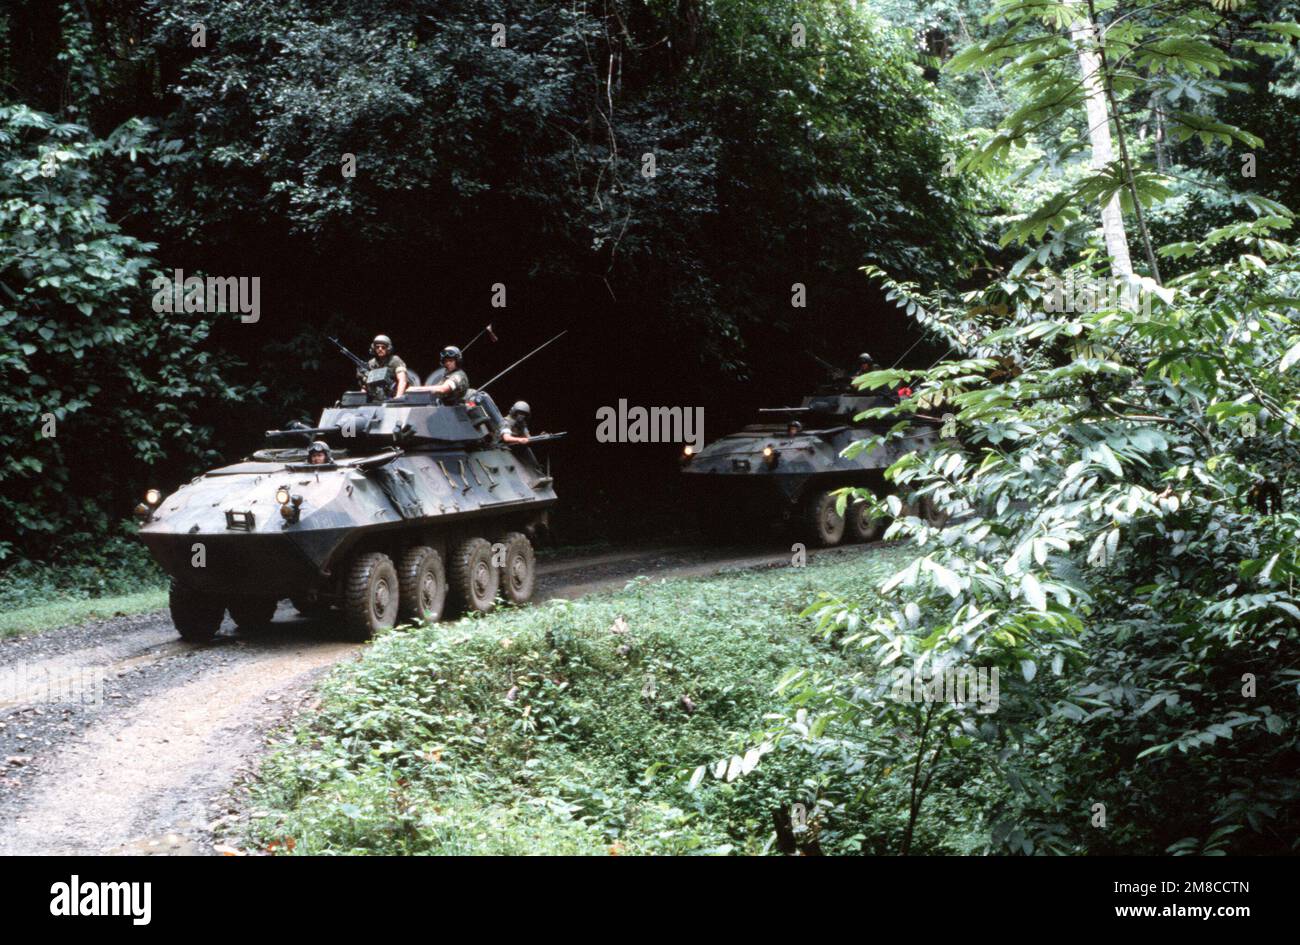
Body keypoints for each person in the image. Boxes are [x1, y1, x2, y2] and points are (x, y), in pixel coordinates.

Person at [363, 334, 408, 400]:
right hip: (377, 398)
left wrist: (398, 398)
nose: (380, 349)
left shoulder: (395, 360)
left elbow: (402, 380)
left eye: (383, 347)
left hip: (394, 396)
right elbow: (365, 385)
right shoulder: (372, 363)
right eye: (377, 347)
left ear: (388, 348)